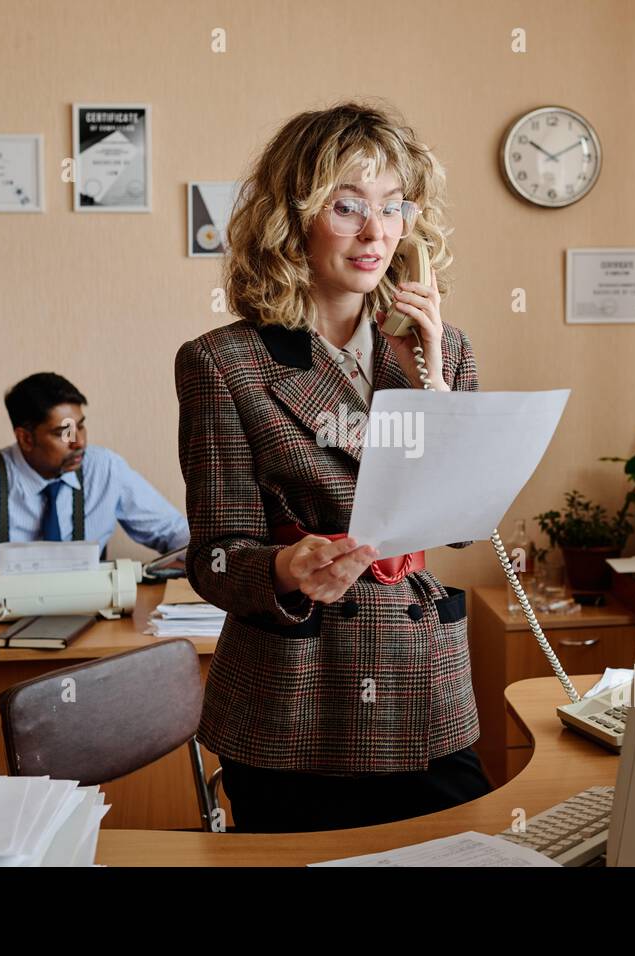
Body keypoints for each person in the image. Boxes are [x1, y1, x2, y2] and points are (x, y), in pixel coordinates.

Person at [174, 101, 491, 832]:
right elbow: (215, 555)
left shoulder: (447, 351)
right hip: (298, 697)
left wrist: (434, 378)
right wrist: (287, 570)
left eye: (393, 207)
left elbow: (470, 527)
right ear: (295, 219)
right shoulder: (223, 363)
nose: (376, 232)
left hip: (421, 681)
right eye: (347, 207)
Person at [0, 372, 188, 583]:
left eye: (81, 426)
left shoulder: (104, 468)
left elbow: (176, 534)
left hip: (92, 622)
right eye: (63, 433)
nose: (79, 442)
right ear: (25, 438)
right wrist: (19, 567)